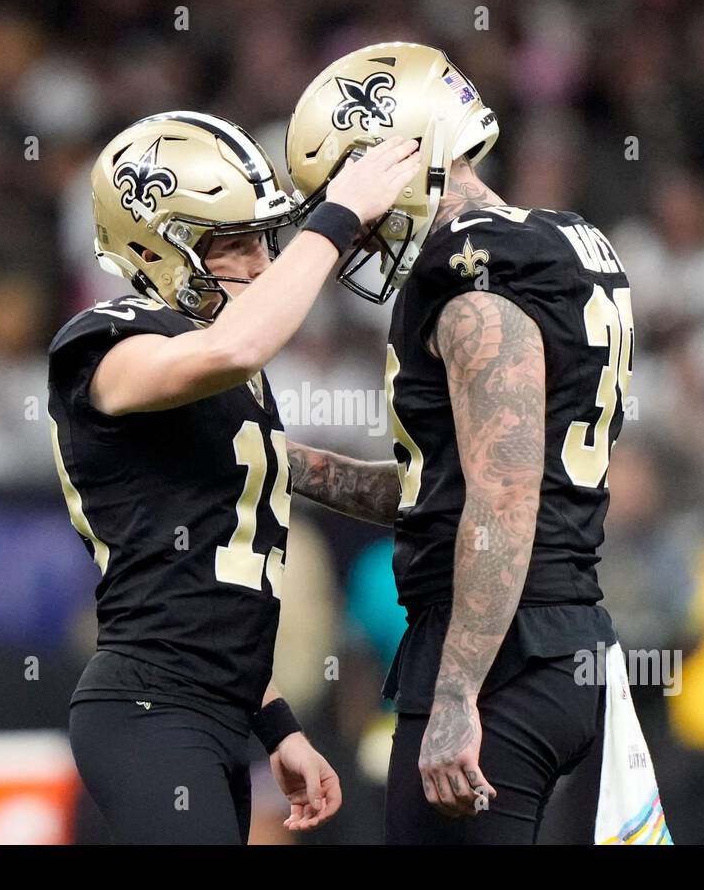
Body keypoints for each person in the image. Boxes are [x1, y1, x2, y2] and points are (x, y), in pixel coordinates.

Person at [283, 43, 669, 843]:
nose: (351, 226)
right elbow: (447, 488)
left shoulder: (474, 284)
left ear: (403, 154)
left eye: (352, 191)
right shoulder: (556, 243)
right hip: (562, 639)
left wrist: (458, 693)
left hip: (500, 656)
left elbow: (501, 498)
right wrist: (285, 465)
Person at [49, 111, 419, 843]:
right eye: (235, 244)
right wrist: (339, 217)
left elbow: (216, 593)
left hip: (216, 708)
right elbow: (237, 347)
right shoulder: (108, 344)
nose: (259, 261)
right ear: (158, 245)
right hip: (149, 706)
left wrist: (277, 726)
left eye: (263, 240)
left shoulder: (225, 386)